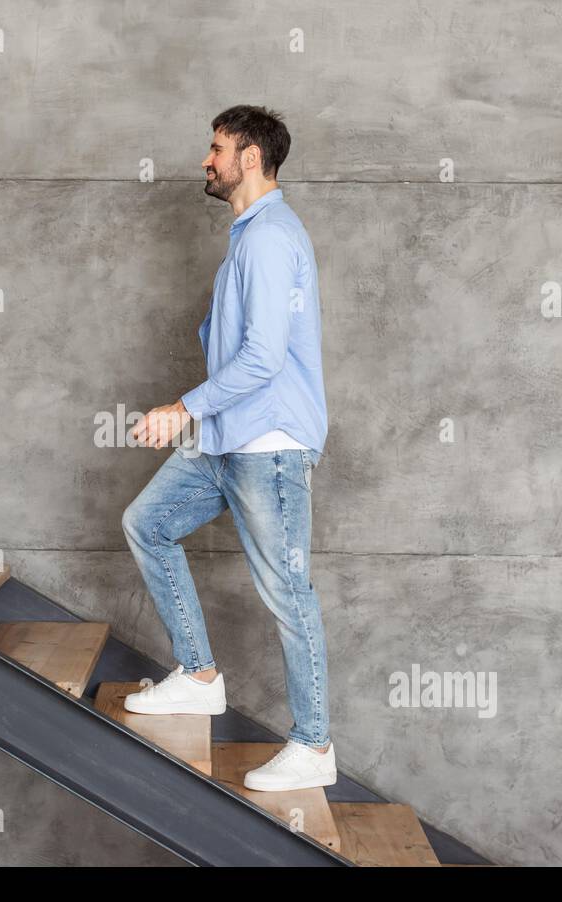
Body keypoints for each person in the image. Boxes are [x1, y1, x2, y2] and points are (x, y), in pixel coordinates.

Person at [121, 105, 333, 792]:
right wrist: (202, 422)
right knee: (148, 523)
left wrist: (180, 409)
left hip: (267, 445)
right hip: (230, 437)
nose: (206, 160)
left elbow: (264, 359)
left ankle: (313, 745)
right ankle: (200, 675)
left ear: (249, 158)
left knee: (288, 596)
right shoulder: (251, 235)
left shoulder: (269, 238)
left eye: (216, 149)